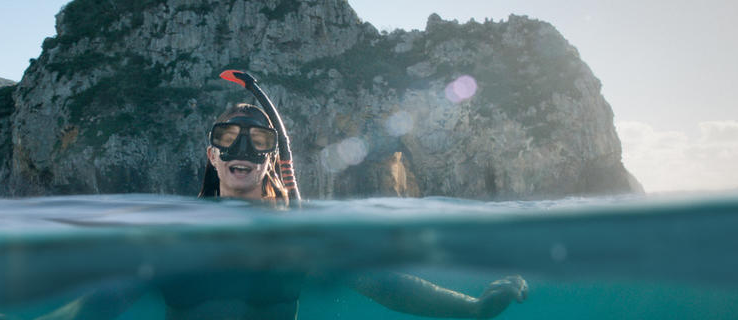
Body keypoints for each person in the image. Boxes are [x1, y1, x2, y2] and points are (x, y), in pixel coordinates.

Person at [36, 104, 527, 320]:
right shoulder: (173, 239)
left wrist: (474, 308)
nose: (241, 148)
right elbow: (103, 302)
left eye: (258, 140)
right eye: (227, 139)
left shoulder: (298, 239)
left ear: (273, 156)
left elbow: (383, 284)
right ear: (212, 156)